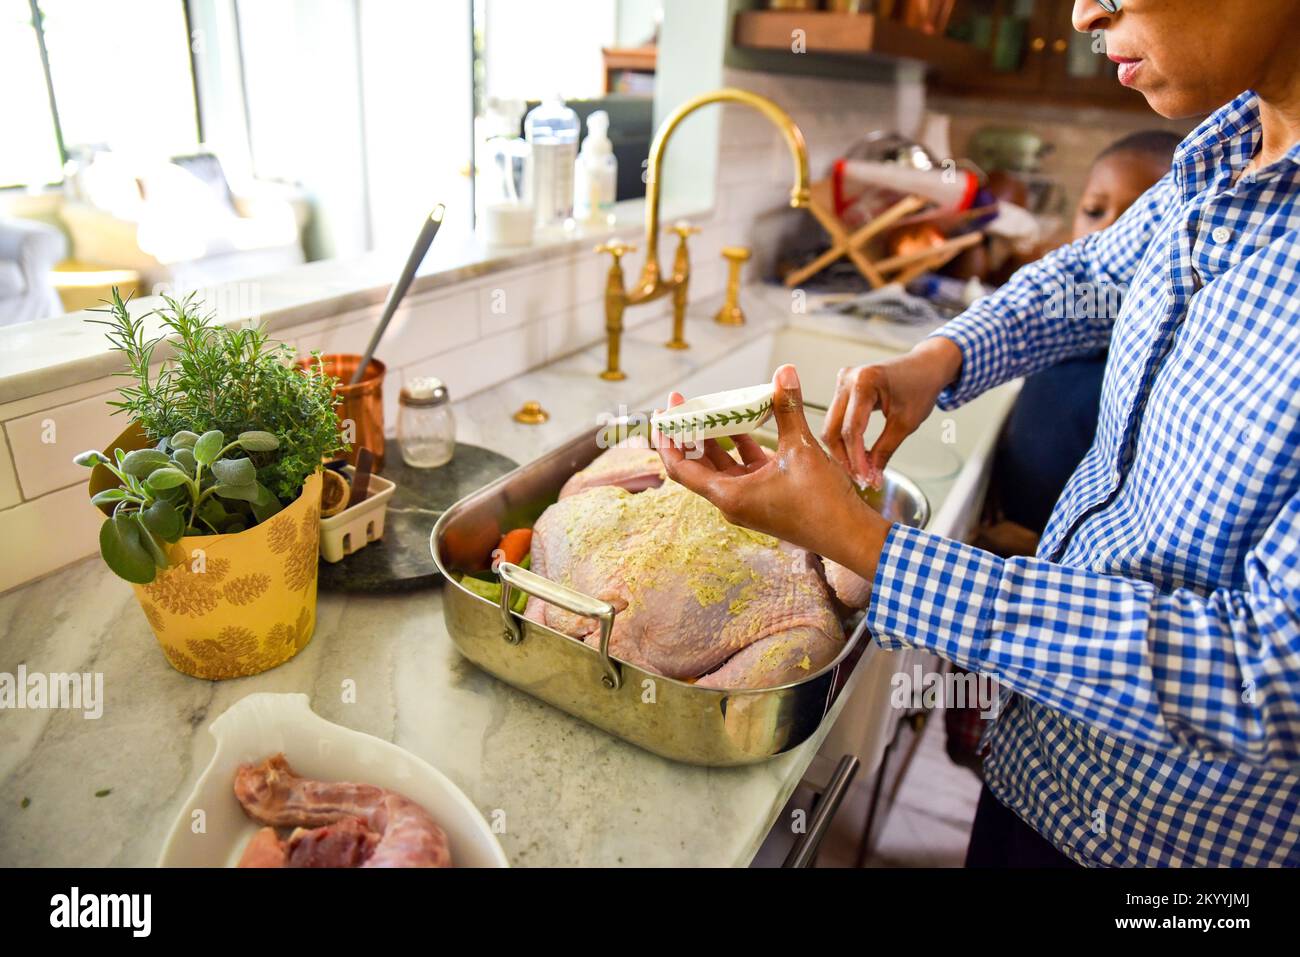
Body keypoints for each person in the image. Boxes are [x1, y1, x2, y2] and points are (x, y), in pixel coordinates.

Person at [653, 0, 1300, 867]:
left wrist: (865, 545)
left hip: (1170, 852)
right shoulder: (1231, 148)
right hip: (1040, 764)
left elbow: (1262, 682)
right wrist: (943, 356)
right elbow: (1093, 274)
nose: (1081, 13)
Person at [988, 130, 1183, 547]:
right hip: (1001, 534)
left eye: (1133, 223)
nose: (1108, 232)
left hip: (1067, 573)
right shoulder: (1067, 313)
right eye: (1094, 211)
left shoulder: (1160, 357)